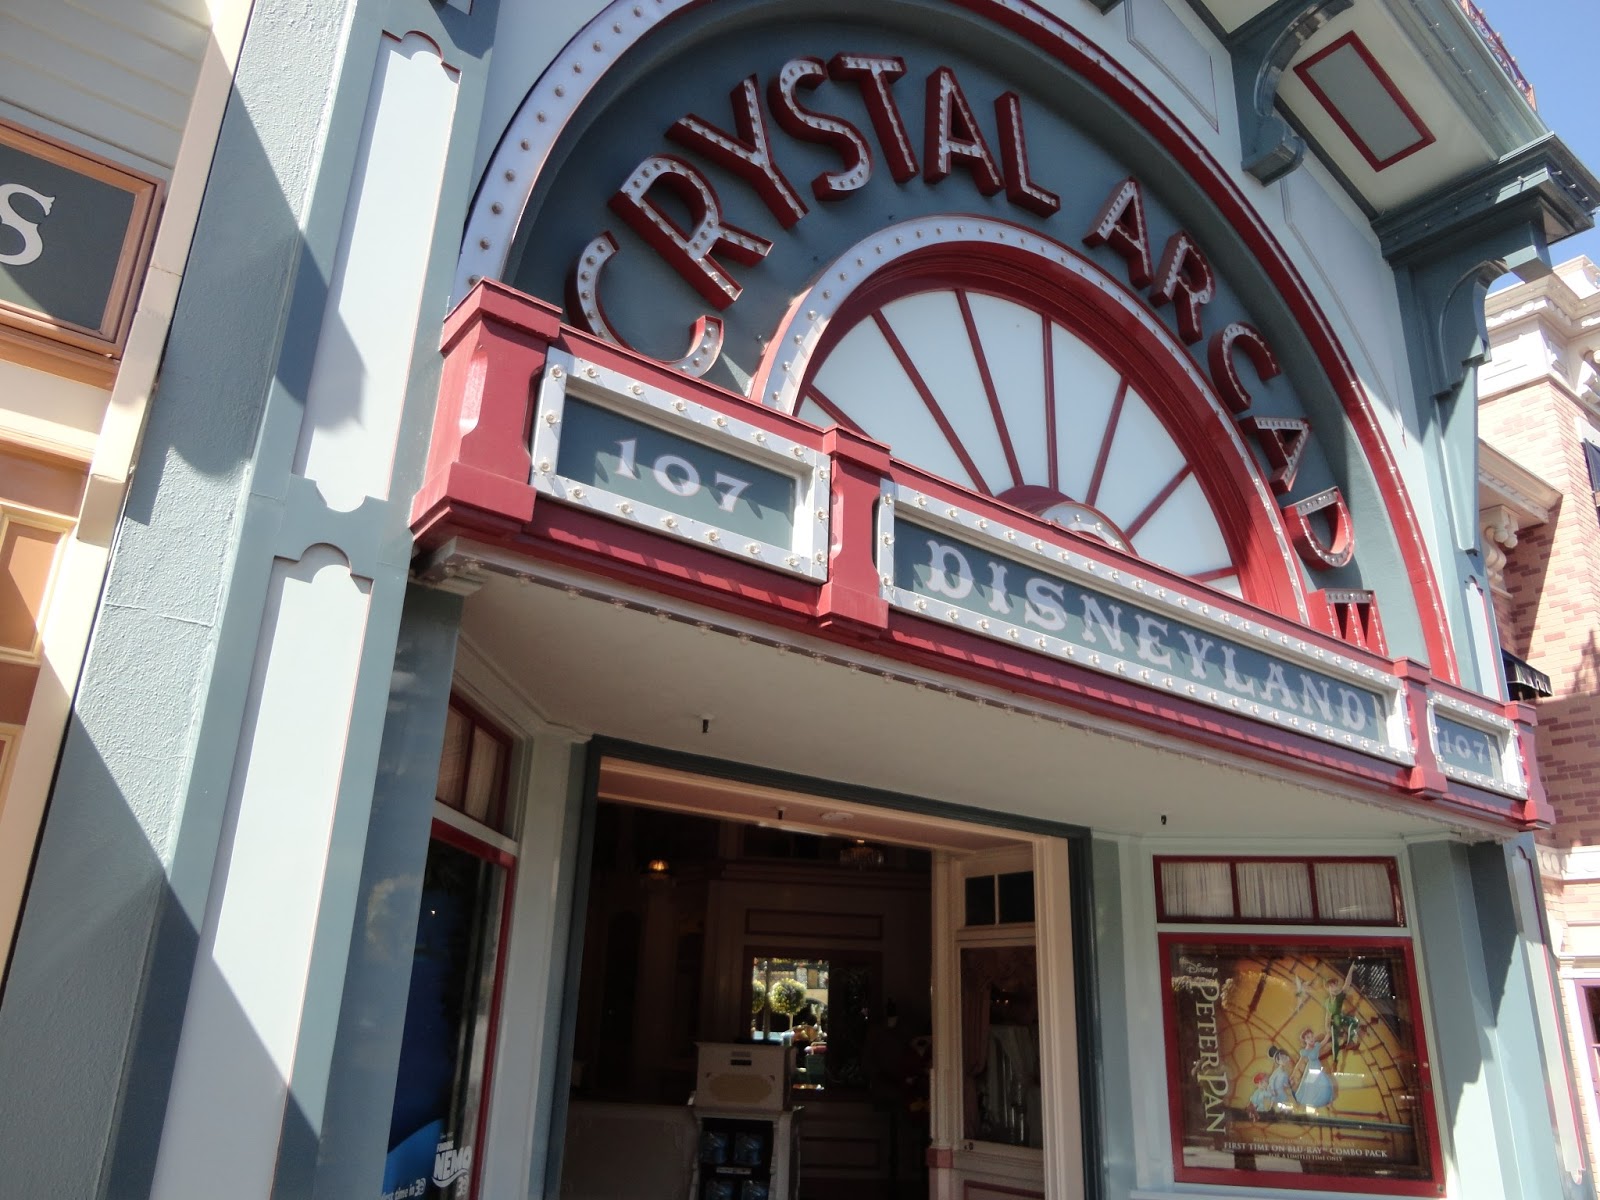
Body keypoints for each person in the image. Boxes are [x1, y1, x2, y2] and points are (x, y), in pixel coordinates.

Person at [1293, 1027, 1335, 1109]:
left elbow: (1324, 1042)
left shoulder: (1316, 1046)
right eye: (1308, 1038)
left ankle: (1325, 1102)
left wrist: (1329, 1033)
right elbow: (1300, 1062)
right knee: (1312, 1087)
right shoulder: (1305, 1051)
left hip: (1317, 1067)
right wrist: (1294, 1073)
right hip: (1311, 1070)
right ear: (1305, 1040)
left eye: (1312, 1036)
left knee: (1325, 1083)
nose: (1311, 1039)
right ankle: (1313, 1104)